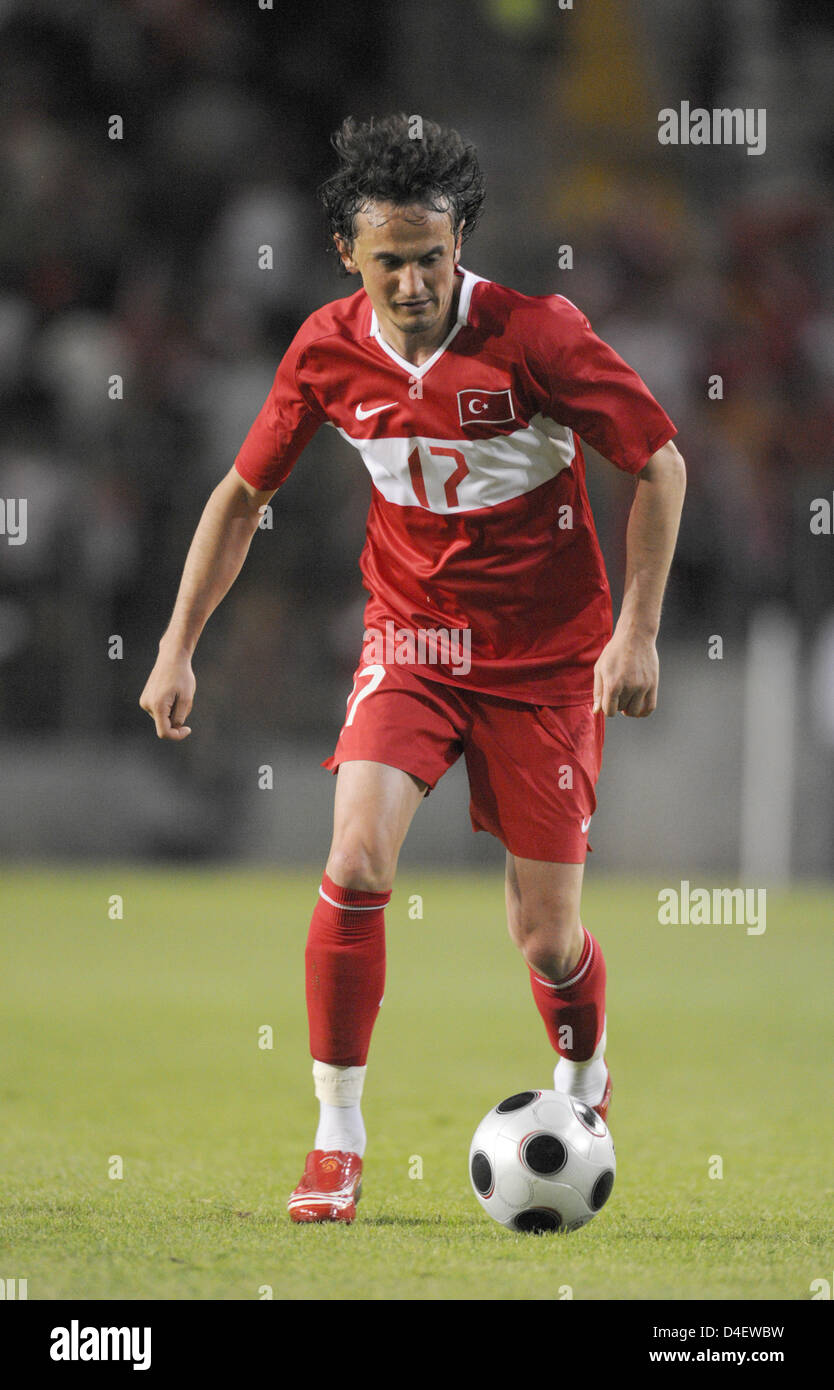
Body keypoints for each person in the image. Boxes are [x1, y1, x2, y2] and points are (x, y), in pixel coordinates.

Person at [140, 113, 686, 1225]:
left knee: (546, 934)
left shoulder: (538, 335)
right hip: (413, 643)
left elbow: (661, 462)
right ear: (350, 251)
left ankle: (585, 1080)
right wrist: (176, 644)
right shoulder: (326, 349)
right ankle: (337, 1137)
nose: (411, 280)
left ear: (460, 242)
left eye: (430, 256)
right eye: (387, 259)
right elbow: (242, 497)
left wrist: (638, 629)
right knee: (354, 858)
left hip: (544, 663)